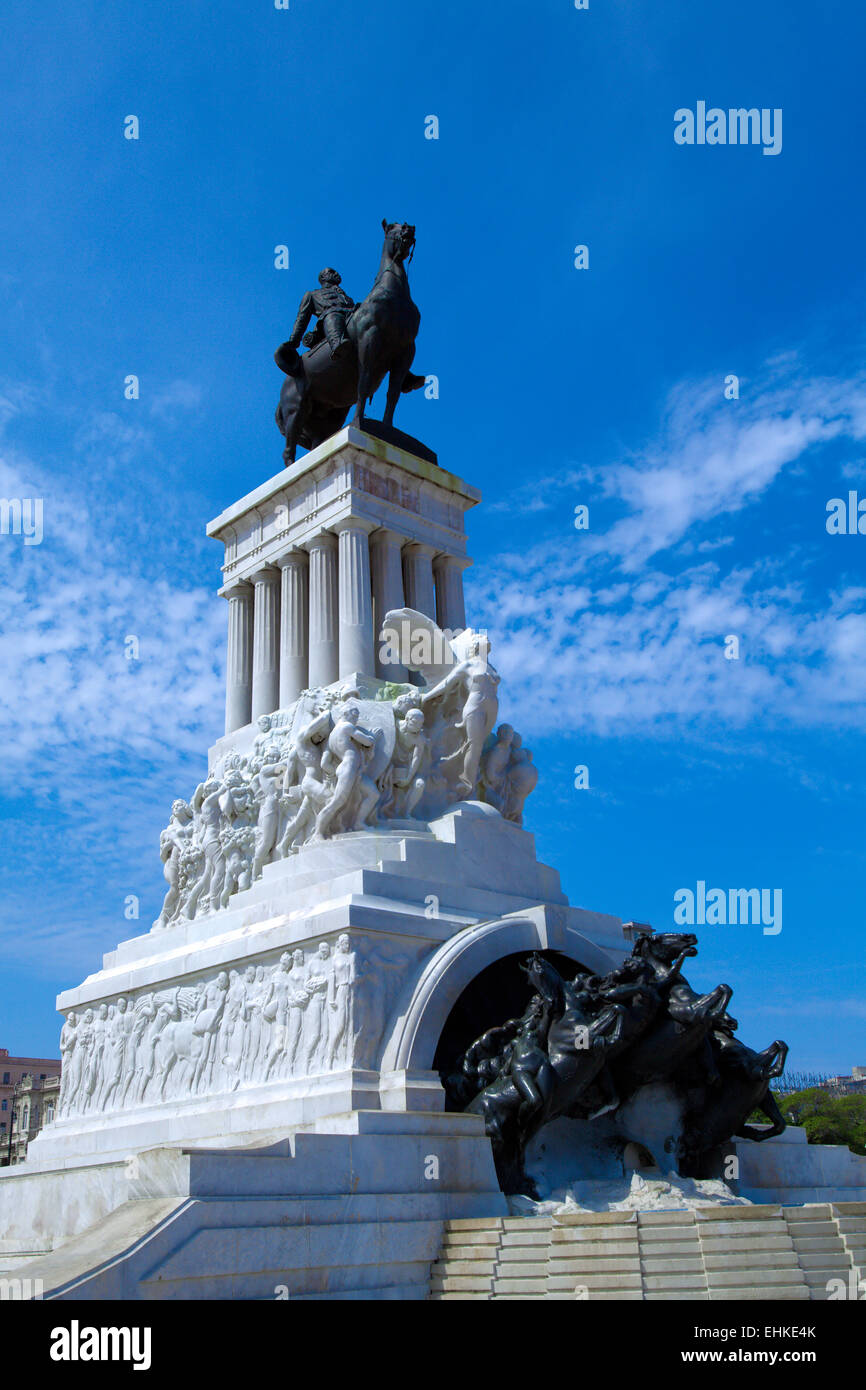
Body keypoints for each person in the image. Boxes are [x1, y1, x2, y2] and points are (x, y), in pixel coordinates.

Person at [286, 268, 356, 359]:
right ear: (323, 277)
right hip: (329, 322)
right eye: (332, 272)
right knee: (332, 315)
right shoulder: (312, 294)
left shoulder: (345, 296)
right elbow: (301, 319)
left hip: (349, 315)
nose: (336, 273)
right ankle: (338, 345)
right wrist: (293, 342)